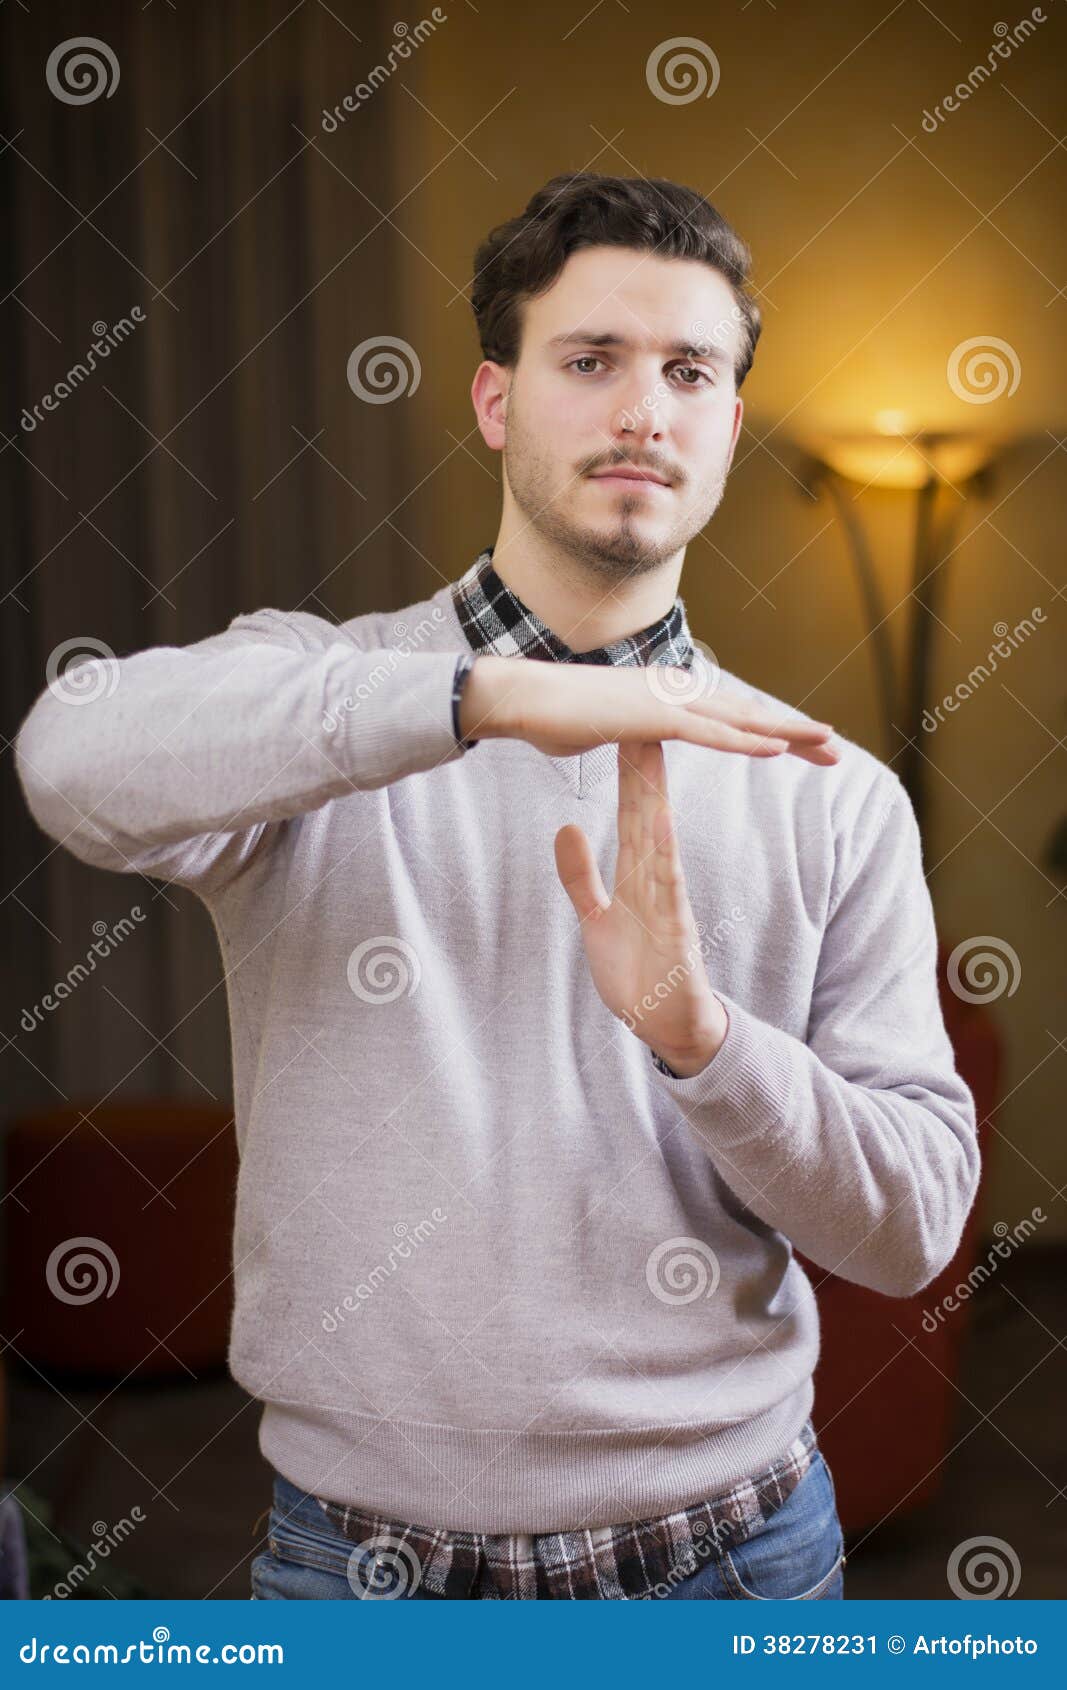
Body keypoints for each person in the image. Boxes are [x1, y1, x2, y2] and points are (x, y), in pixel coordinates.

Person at [15, 171, 980, 1601]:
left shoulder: (828, 791)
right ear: (494, 401)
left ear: (722, 423)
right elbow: (67, 754)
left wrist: (704, 1042)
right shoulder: (325, 707)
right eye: (590, 361)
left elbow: (909, 1230)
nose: (644, 408)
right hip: (365, 1574)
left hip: (736, 1564)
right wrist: (480, 699)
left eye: (690, 371)